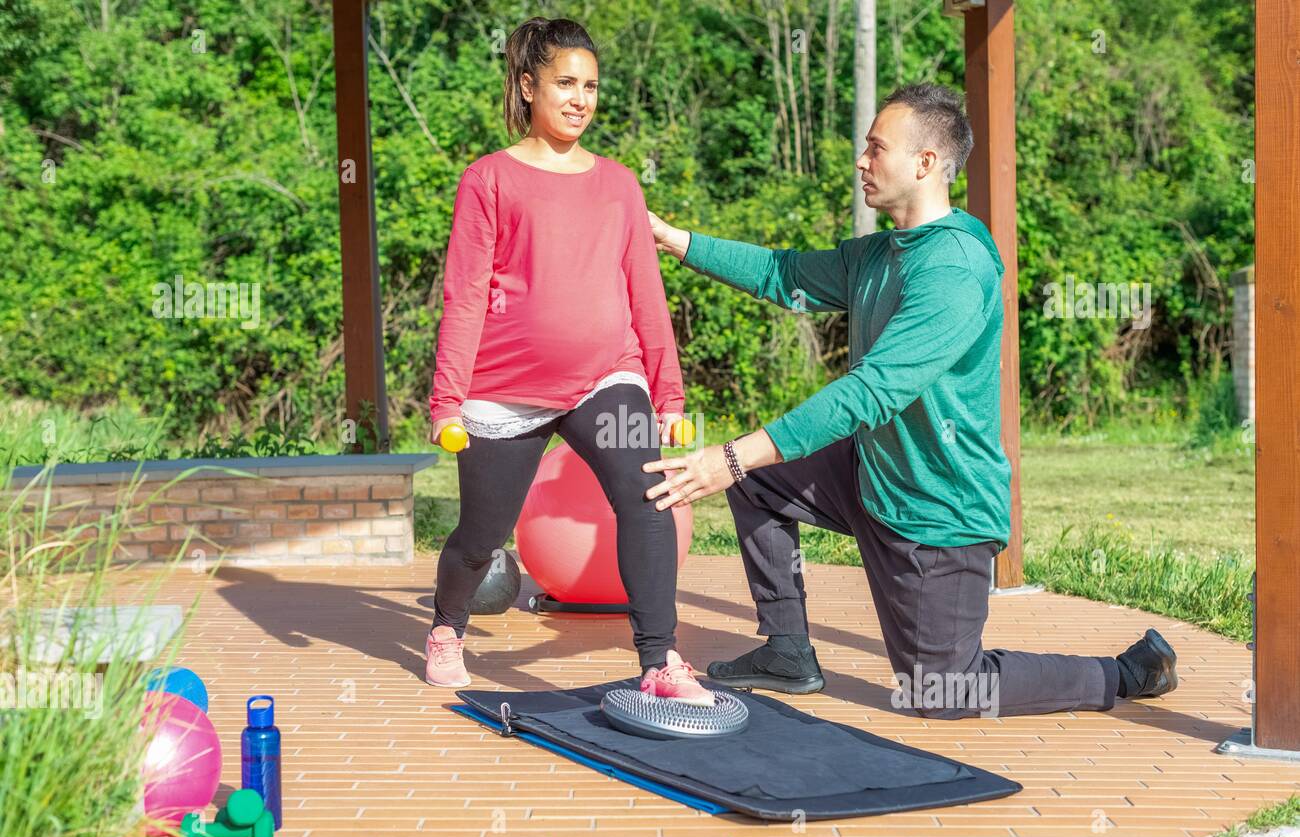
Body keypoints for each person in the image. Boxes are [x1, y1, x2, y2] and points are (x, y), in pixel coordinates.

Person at [641, 83, 1178, 719]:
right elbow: (782, 274)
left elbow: (870, 392)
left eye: (875, 148)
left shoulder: (953, 268)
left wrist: (728, 456)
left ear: (925, 163)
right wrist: (675, 240)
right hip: (872, 474)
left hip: (937, 510)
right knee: (762, 482)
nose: (862, 161)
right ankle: (787, 650)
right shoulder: (877, 255)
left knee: (942, 692)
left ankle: (1123, 674)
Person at [426, 17, 713, 705]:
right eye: (565, 83)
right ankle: (446, 625)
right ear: (528, 86)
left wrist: (667, 395)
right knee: (482, 535)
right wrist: (446, 400)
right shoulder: (489, 179)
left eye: (590, 85)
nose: (581, 98)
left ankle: (660, 658)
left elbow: (646, 291)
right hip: (504, 390)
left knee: (648, 494)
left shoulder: (618, 184)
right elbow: (464, 294)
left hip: (603, 378)